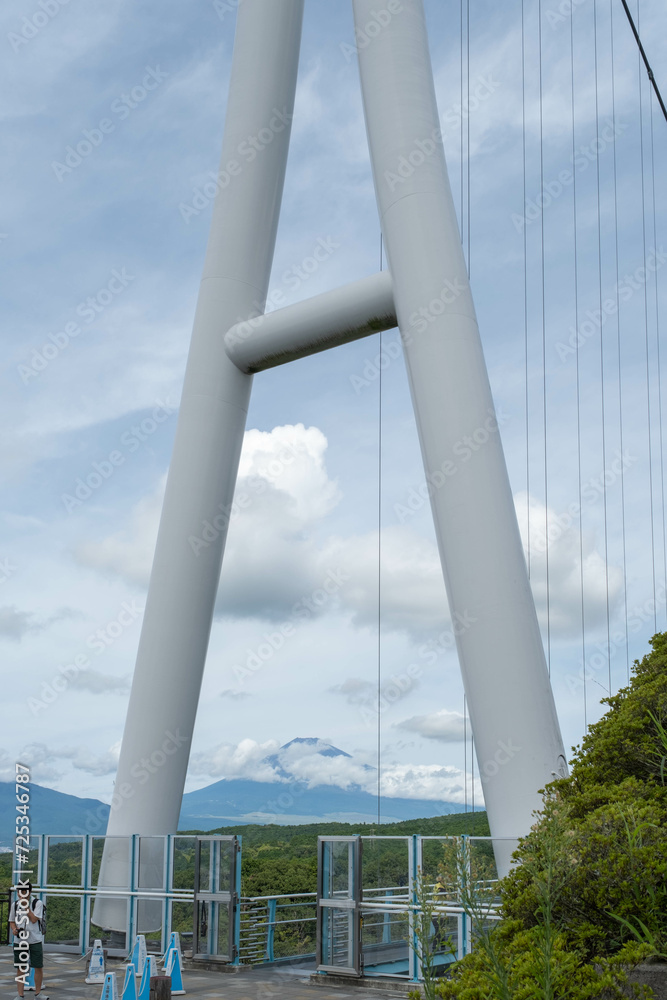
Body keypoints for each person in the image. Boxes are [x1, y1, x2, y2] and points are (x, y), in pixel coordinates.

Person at [9, 881, 49, 1000]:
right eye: (19, 892)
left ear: (30, 892)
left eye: (24, 892)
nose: (22, 894)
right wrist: (14, 929)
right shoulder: (15, 905)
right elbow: (11, 921)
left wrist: (26, 905)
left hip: (35, 940)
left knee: (38, 966)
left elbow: (33, 919)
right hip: (19, 940)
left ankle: (38, 994)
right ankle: (20, 995)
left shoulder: (37, 903)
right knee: (20, 967)